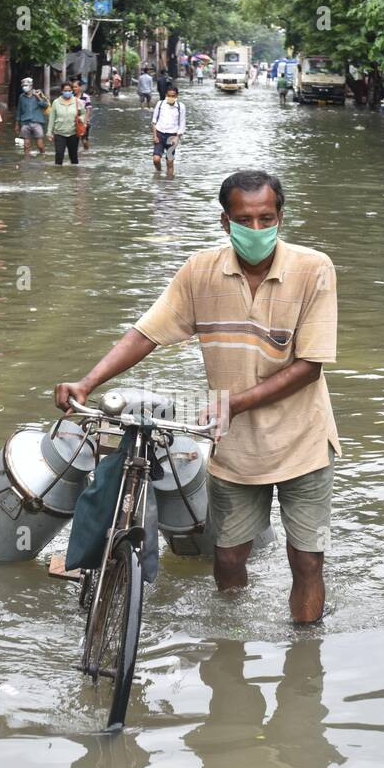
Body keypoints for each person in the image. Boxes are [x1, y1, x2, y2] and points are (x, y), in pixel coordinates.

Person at [54, 171, 339, 625]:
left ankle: (302, 663)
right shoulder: (200, 272)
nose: (258, 229)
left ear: (281, 217)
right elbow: (147, 333)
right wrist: (88, 383)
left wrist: (235, 404)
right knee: (226, 560)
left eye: (268, 218)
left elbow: (310, 367)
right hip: (234, 448)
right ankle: (231, 648)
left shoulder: (314, 270)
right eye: (246, 220)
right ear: (226, 223)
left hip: (303, 444)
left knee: (306, 562)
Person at [151, 84, 185, 176]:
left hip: (172, 137)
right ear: (166, 95)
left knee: (170, 162)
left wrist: (177, 138)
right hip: (160, 135)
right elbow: (154, 121)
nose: (171, 97)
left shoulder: (180, 107)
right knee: (156, 159)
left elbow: (182, 124)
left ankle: (169, 184)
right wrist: (154, 136)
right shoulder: (160, 104)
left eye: (173, 96)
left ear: (177, 96)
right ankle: (159, 172)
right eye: (169, 95)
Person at [46, 83, 82, 165]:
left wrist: (81, 119)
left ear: (72, 91)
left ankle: (73, 175)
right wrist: (49, 132)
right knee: (59, 155)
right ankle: (58, 174)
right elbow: (52, 118)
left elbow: (83, 113)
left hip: (73, 133)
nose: (67, 92)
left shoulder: (77, 101)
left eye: (69, 90)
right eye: (65, 90)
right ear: (62, 91)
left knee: (73, 157)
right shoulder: (56, 102)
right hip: (59, 133)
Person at [16, 77, 49, 158]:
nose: (24, 87)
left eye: (26, 85)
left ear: (31, 86)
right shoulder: (21, 97)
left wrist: (38, 97)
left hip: (37, 123)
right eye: (23, 85)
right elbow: (19, 110)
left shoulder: (38, 94)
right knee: (26, 146)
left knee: (40, 145)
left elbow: (45, 105)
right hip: (25, 123)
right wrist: (17, 124)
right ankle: (27, 161)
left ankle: (43, 157)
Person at [71, 78, 93, 150]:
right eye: (73, 87)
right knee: (72, 140)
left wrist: (85, 122)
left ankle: (86, 152)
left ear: (80, 87)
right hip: (72, 121)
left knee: (84, 140)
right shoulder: (71, 96)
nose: (74, 88)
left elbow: (88, 110)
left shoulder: (86, 97)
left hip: (83, 121)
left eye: (76, 87)